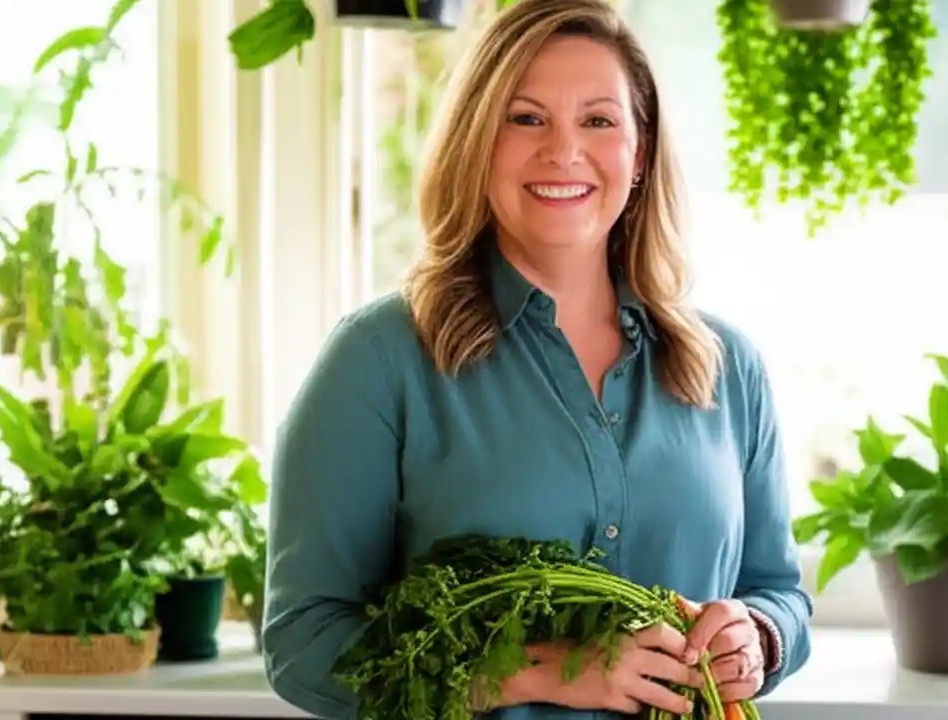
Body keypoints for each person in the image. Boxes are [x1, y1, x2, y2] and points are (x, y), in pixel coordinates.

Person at [261, 0, 813, 716]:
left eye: (599, 120)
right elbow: (302, 643)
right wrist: (533, 670)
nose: (563, 151)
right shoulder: (379, 361)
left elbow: (782, 594)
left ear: (638, 152)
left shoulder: (728, 366)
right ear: (477, 142)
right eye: (525, 119)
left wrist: (759, 637)